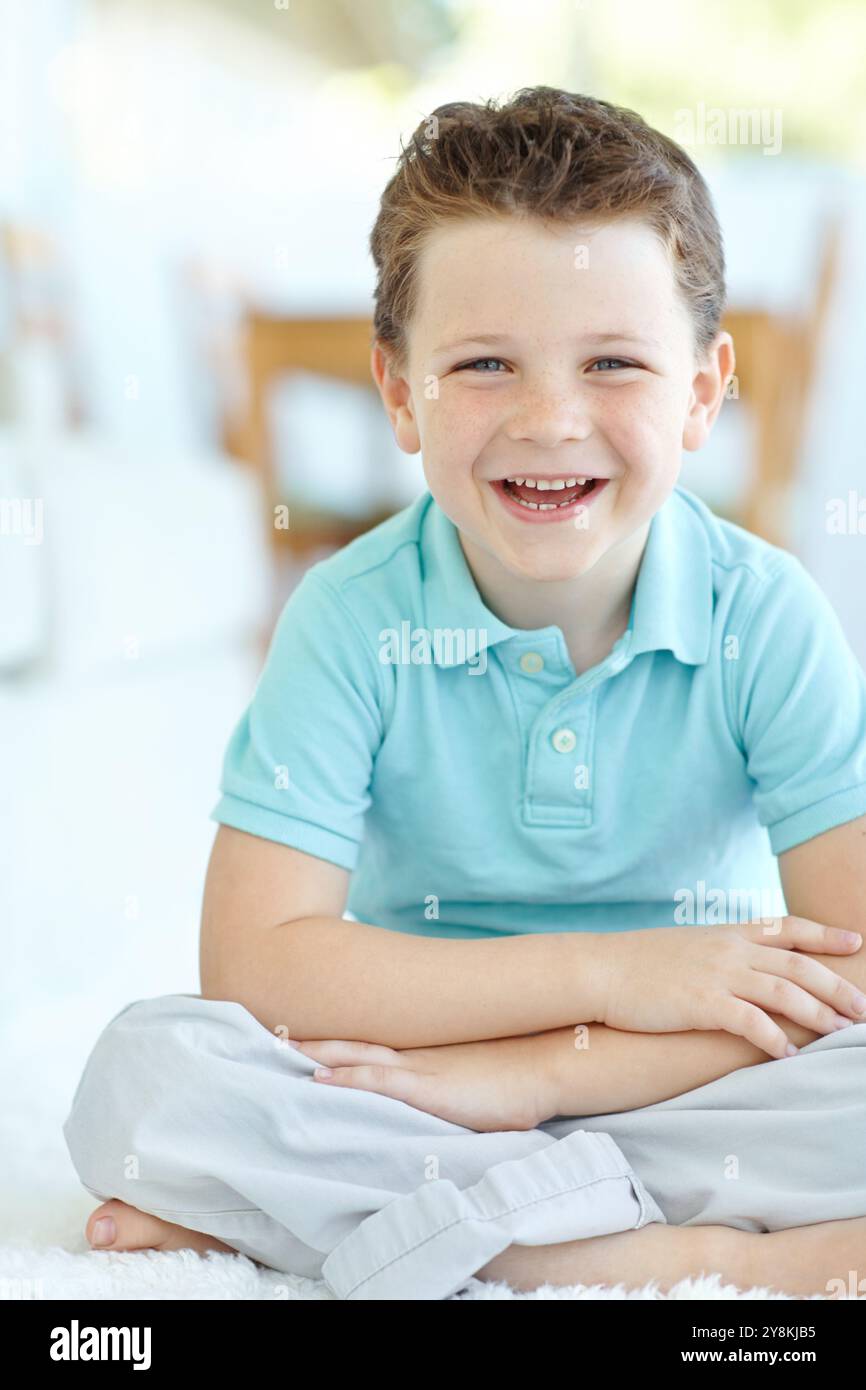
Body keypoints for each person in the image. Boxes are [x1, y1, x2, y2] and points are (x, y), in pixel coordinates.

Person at [63, 88, 866, 1301]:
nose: (549, 421)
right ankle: (682, 1251)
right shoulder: (350, 616)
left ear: (703, 391)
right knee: (147, 1072)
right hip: (408, 1084)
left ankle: (358, 1227)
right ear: (399, 392)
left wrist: (540, 1077)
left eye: (612, 363)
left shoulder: (766, 615)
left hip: (677, 1084)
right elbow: (255, 968)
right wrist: (605, 976)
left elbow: (843, 975)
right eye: (484, 364)